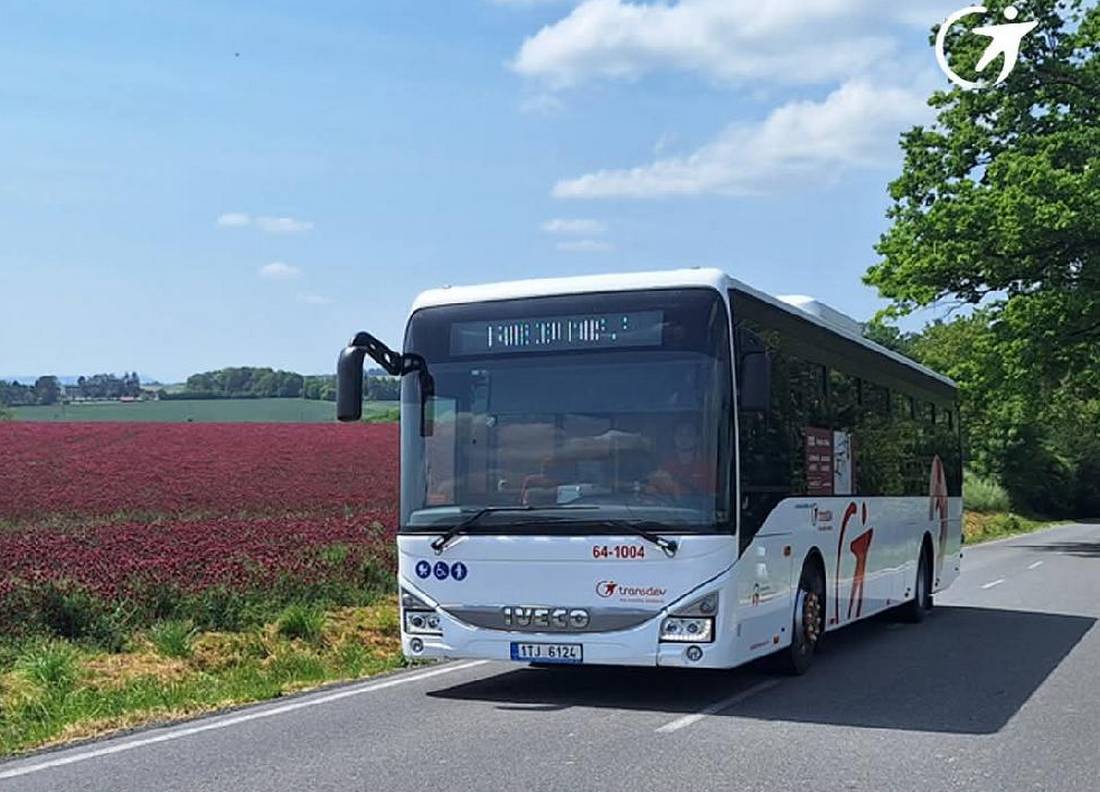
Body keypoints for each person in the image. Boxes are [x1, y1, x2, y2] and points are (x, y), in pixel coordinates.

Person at [647, 421, 714, 499]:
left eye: (689, 434)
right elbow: (655, 491)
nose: (684, 438)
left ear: (697, 439)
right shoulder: (665, 465)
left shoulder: (706, 467)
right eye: (680, 434)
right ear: (674, 438)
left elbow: (712, 496)